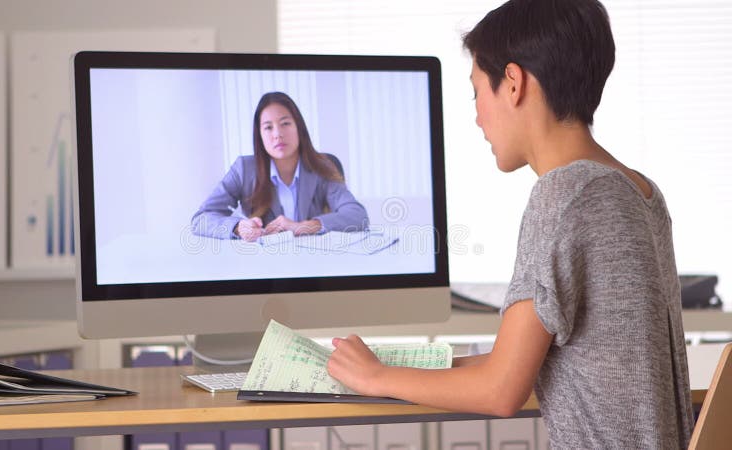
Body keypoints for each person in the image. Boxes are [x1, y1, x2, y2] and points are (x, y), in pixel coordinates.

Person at [326, 0, 694, 448]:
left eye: (477, 91)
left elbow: (501, 390)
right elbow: (519, 362)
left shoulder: (564, 194)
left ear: (514, 83)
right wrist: (389, 365)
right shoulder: (639, 191)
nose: (478, 116)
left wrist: (377, 377)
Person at [191, 91, 369, 241]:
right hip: (265, 269)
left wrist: (303, 227)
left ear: (299, 128)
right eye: (268, 127)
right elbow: (201, 219)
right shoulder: (244, 169)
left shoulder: (322, 167)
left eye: (285, 124)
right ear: (259, 135)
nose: (277, 134)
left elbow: (358, 216)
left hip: (315, 264)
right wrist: (238, 227)